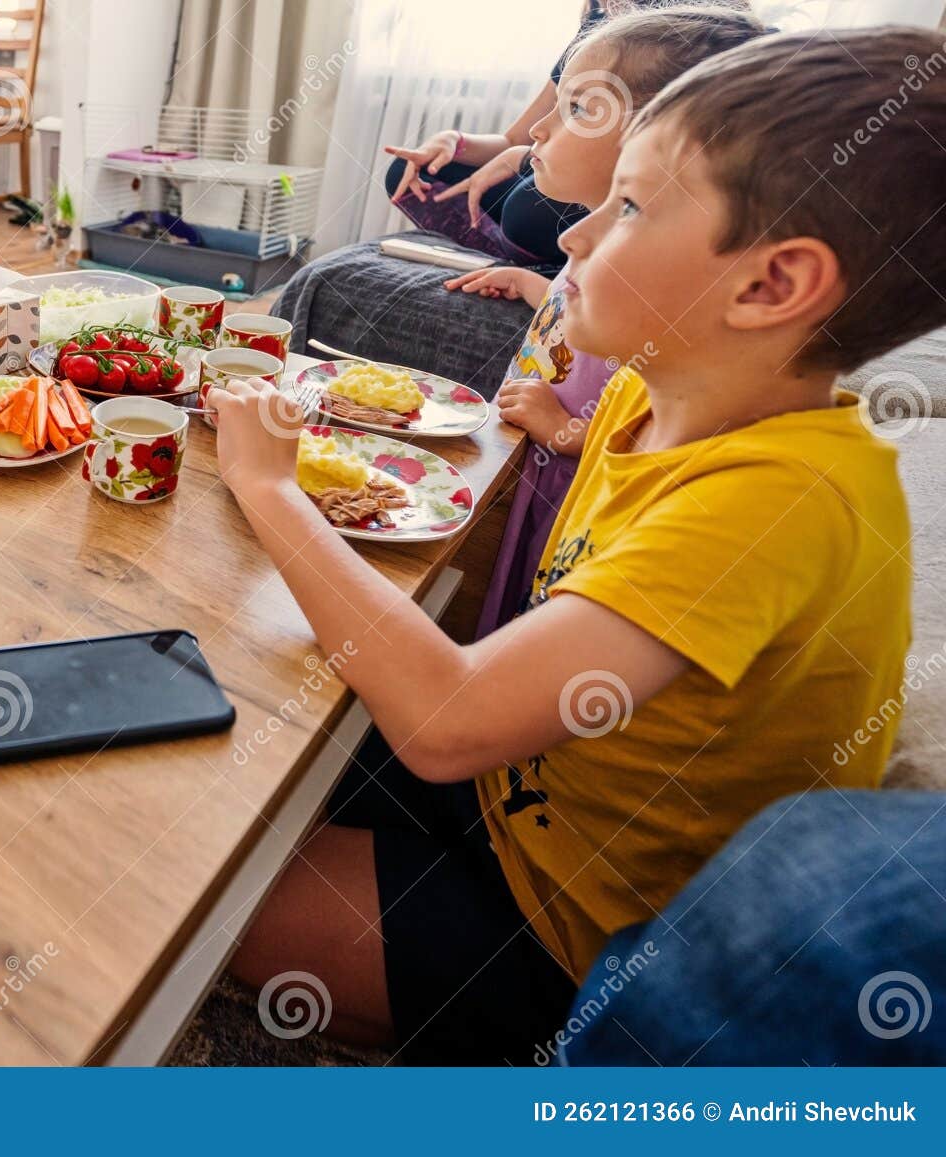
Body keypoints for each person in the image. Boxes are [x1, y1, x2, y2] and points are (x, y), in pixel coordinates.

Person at [206, 24, 942, 1063]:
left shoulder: (786, 501)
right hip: (525, 802)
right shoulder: (648, 385)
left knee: (214, 901)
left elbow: (447, 722)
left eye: (630, 207)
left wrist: (269, 487)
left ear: (770, 286)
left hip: (582, 932)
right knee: (243, 738)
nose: (571, 236)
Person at [440, 6, 766, 639]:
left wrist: (567, 434)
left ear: (661, 140)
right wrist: (540, 288)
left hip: (571, 488)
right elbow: (598, 336)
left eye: (579, 110)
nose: (535, 129)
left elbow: (675, 439)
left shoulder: (667, 273)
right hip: (529, 463)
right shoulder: (598, 239)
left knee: (531, 614)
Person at [382, 0, 648, 265]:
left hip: (606, 184)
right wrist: (455, 141)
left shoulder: (667, 37)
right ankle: (512, 254)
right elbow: (516, 138)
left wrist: (521, 158)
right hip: (549, 164)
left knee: (526, 209)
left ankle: (534, 261)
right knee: (410, 170)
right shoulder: (596, 21)